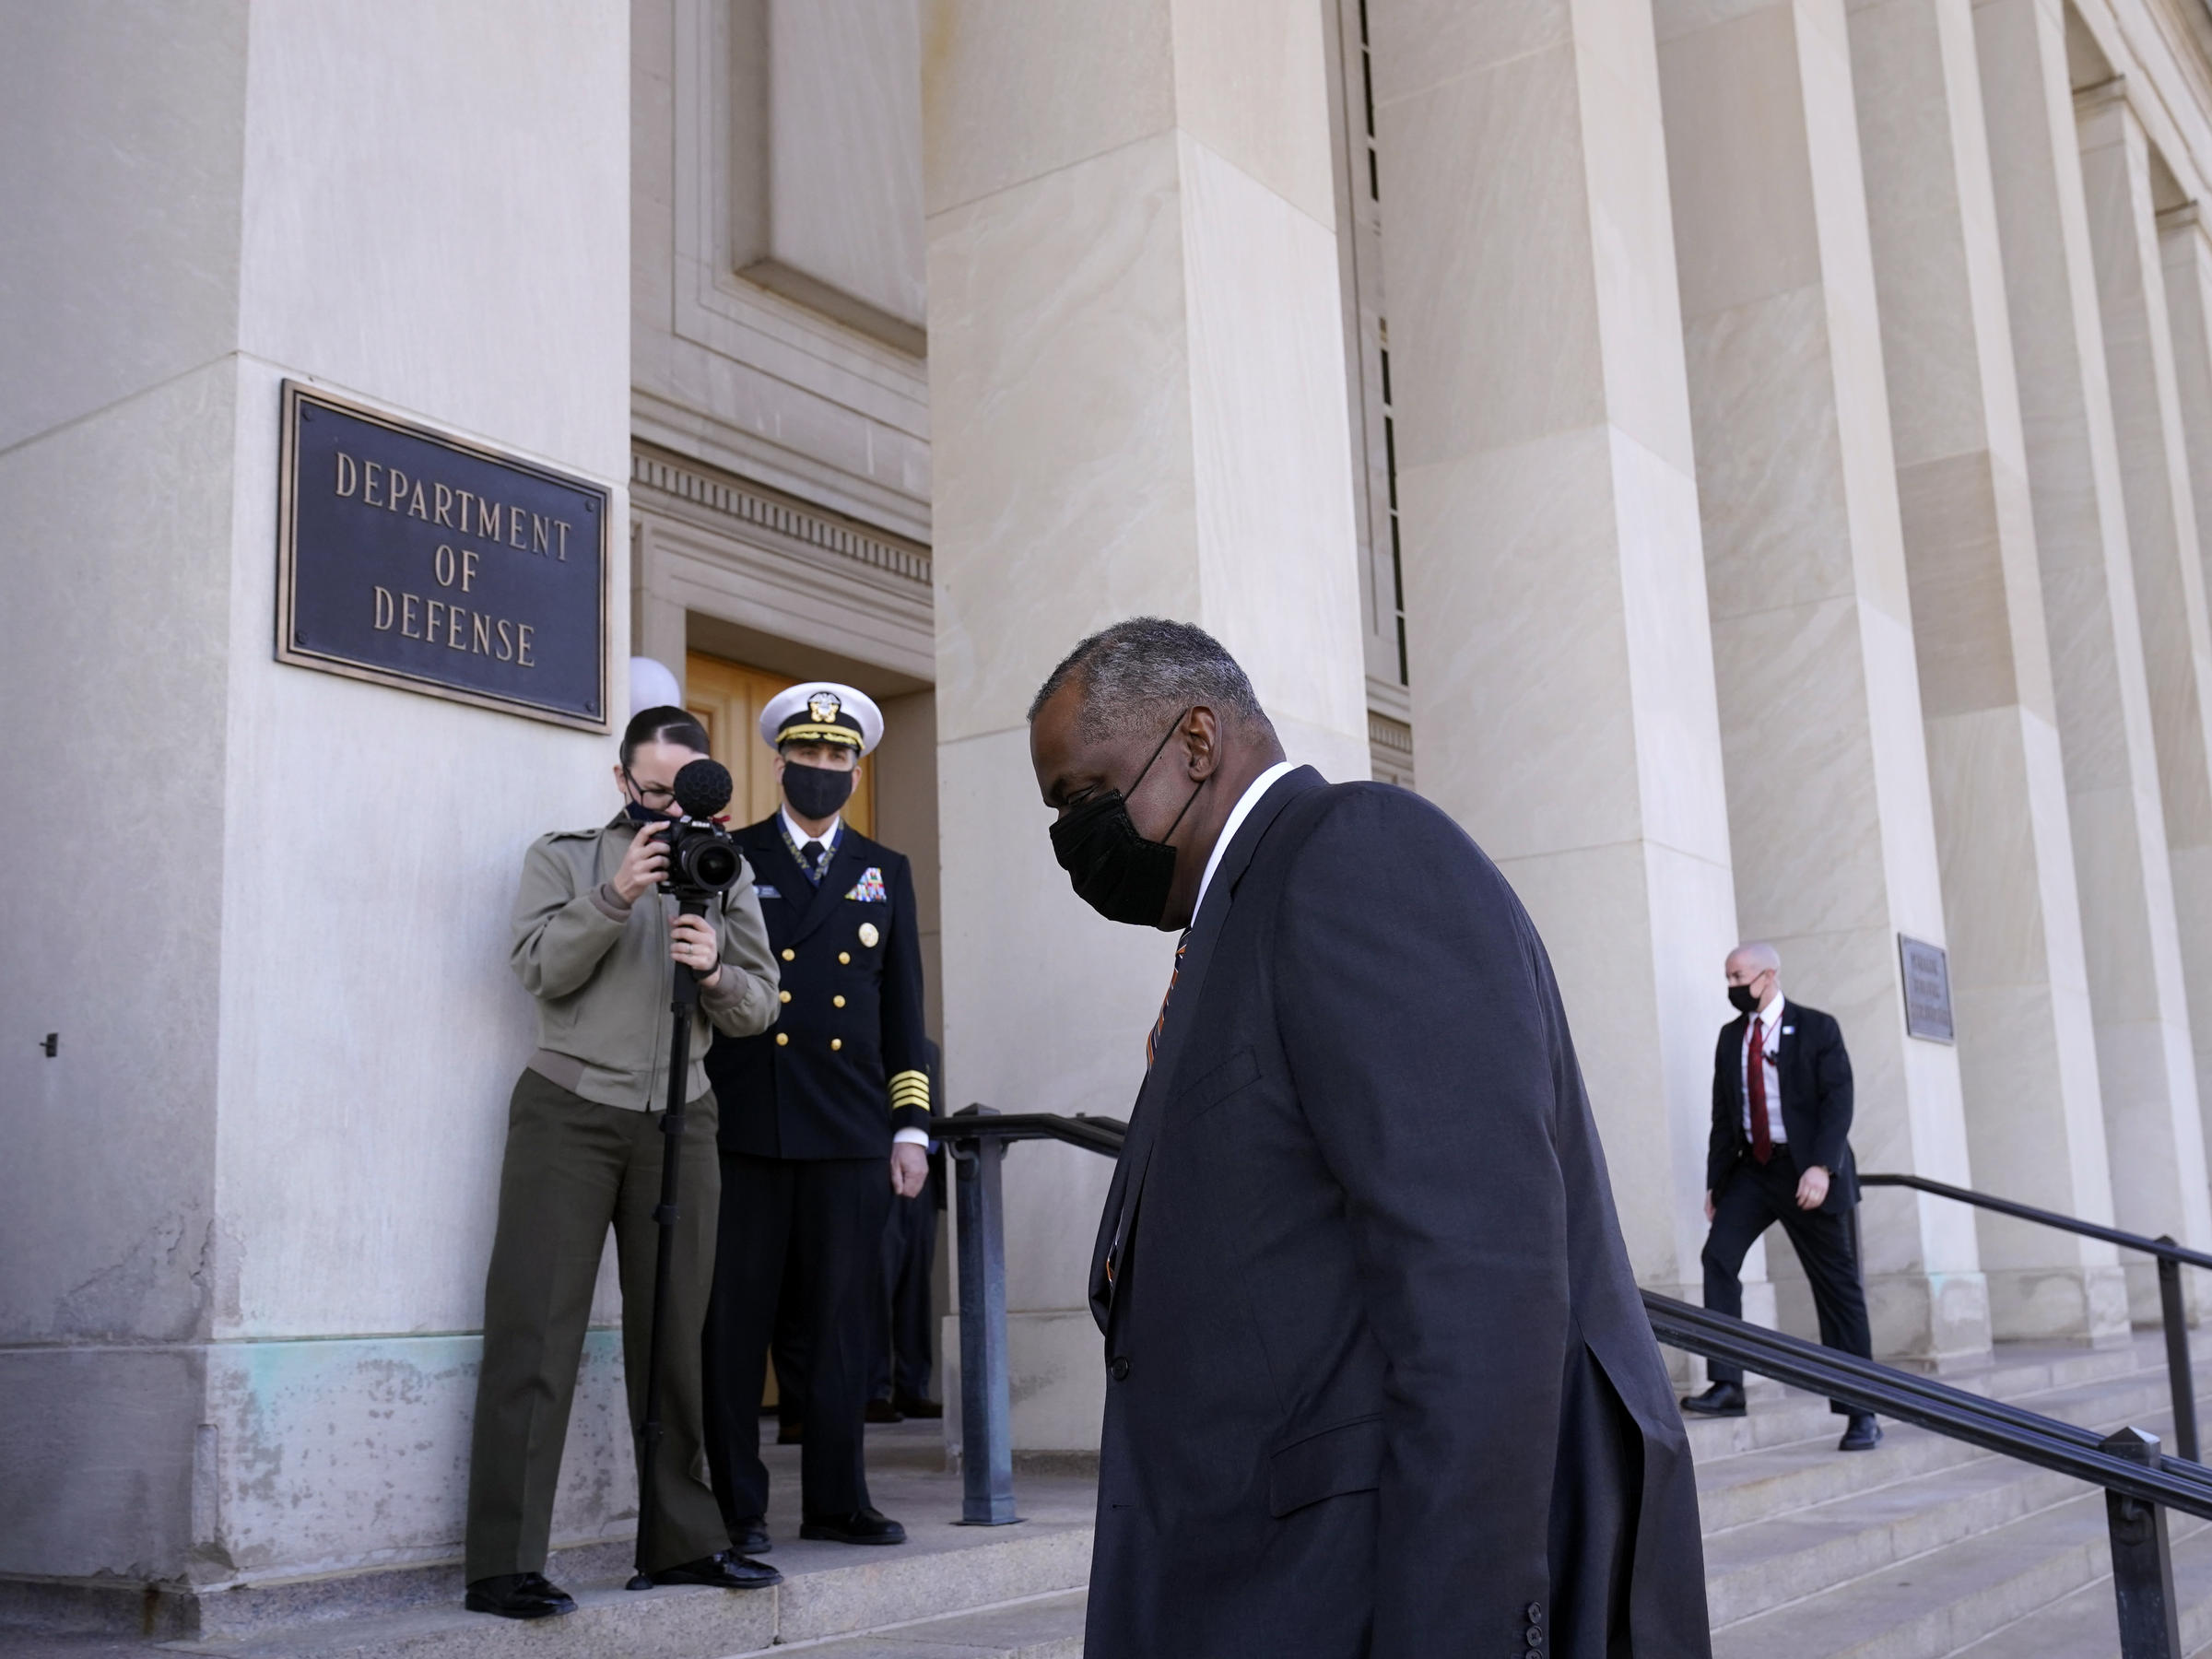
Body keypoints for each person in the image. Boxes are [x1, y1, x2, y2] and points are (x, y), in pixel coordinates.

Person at [1027, 618, 1711, 1659]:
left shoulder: (1357, 856)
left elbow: (1478, 1290)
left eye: (1083, 797)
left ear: (1196, 742)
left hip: (1351, 1598)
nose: (1073, 839)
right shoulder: (1243, 914)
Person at [463, 706, 784, 1619]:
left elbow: (758, 1007)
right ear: (621, 782)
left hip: (683, 1117)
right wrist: (616, 895)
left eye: (685, 795)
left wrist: (718, 971)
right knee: (537, 1331)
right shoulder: (564, 857)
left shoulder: (727, 873)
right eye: (652, 793)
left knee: (676, 1339)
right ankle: (504, 1561)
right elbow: (540, 971)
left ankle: (684, 1545)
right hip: (569, 1113)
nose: (668, 813)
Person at [701, 682, 933, 1552]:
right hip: (746, 1124)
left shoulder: (887, 870)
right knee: (736, 1325)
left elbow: (903, 1013)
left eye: (839, 758)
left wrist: (909, 1129)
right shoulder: (733, 854)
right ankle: (736, 1507)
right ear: (780, 762)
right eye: (809, 755)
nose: (823, 769)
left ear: (856, 767)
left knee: (842, 1326)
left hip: (848, 1131)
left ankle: (839, 1501)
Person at [1680, 944, 1879, 1451]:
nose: (1732, 986)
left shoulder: (1817, 1029)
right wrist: (1716, 1183)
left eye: (1739, 976)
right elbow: (1724, 1116)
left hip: (1807, 1169)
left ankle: (1862, 1411)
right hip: (1754, 1169)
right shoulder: (1731, 1038)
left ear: (1769, 976)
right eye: (1727, 977)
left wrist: (1822, 1167)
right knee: (1718, 1258)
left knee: (1836, 1289)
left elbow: (1839, 1103)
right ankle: (1728, 1383)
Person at [867, 1040, 945, 1423]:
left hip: (923, 1180)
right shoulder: (868, 1037)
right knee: (876, 1285)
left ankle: (914, 1388)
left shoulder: (927, 1050)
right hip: (878, 1173)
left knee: (917, 1287)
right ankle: (873, 1391)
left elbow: (935, 1113)